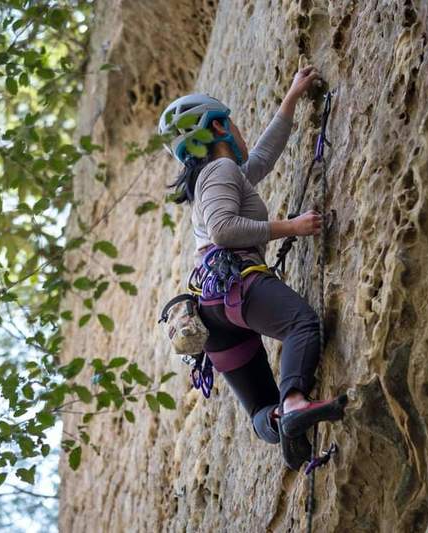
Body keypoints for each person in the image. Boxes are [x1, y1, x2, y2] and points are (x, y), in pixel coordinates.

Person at [158, 66, 346, 470]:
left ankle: (279, 421)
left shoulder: (220, 175)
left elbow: (262, 156)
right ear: (220, 128)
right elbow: (225, 230)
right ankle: (294, 404)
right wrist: (290, 227)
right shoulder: (220, 171)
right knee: (302, 324)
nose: (240, 130)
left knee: (261, 405)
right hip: (234, 284)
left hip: (212, 315)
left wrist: (292, 98)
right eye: (233, 123)